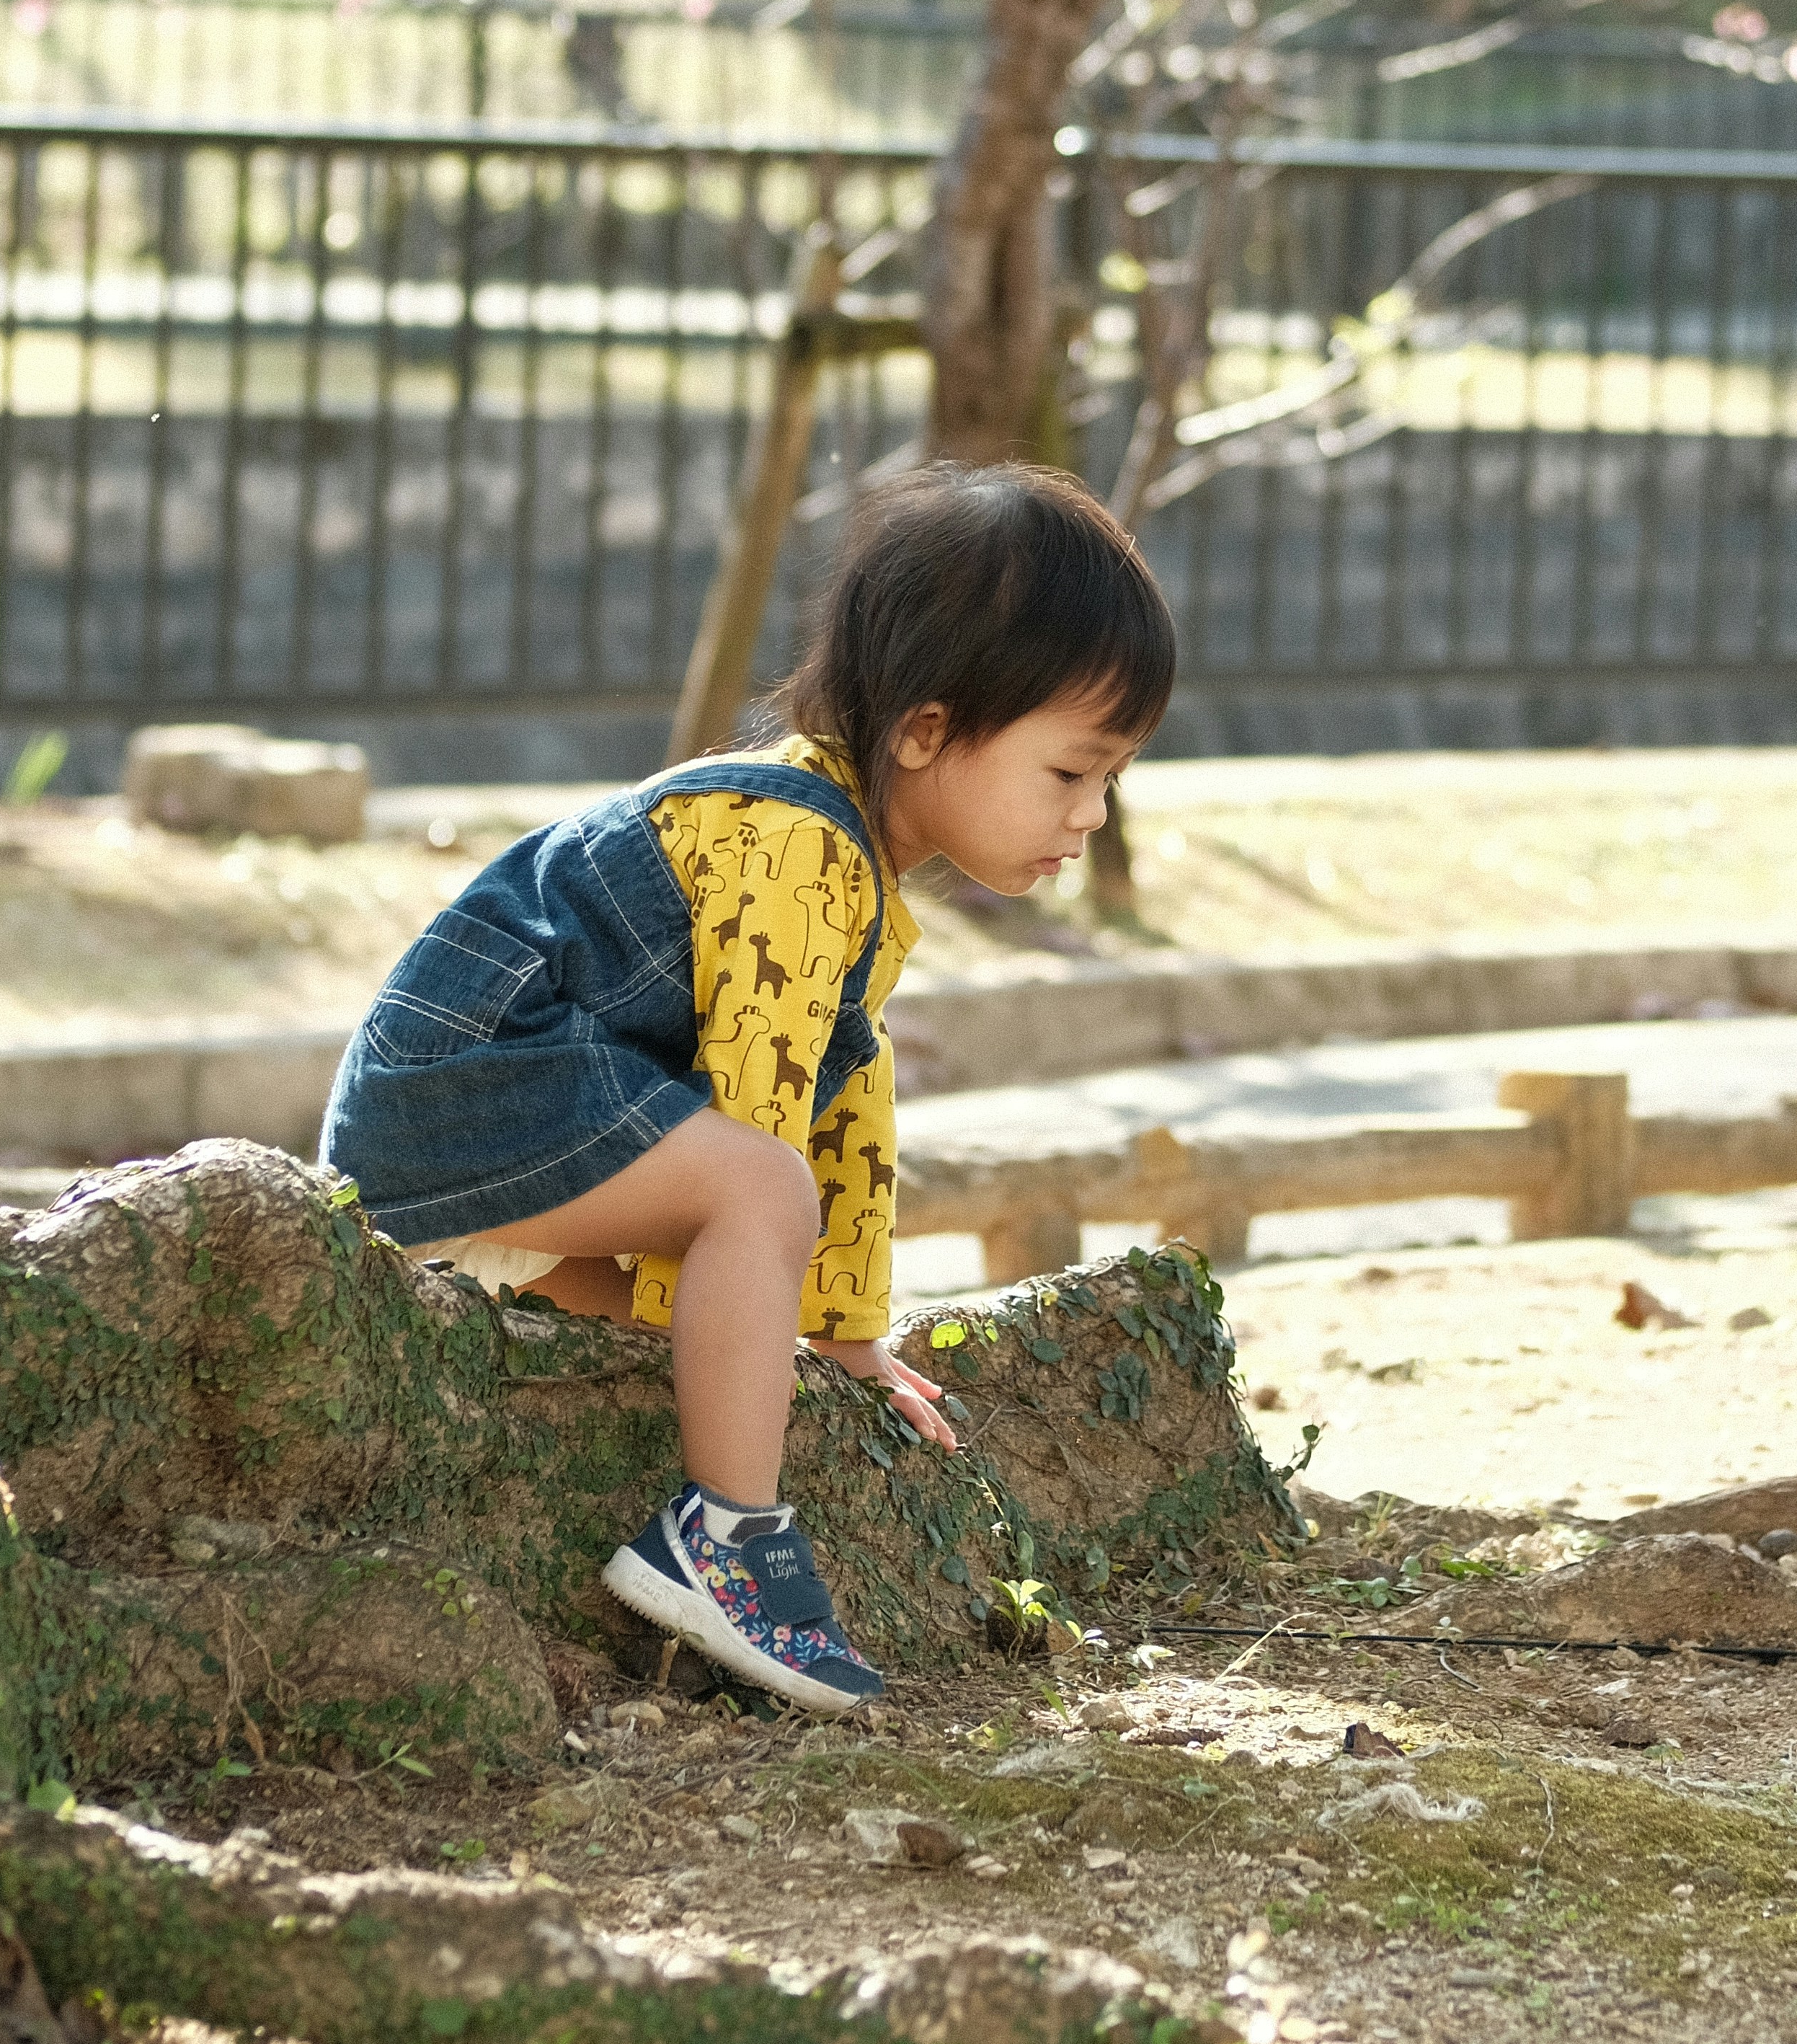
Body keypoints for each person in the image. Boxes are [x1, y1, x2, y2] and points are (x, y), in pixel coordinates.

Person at [321, 461, 1176, 1716]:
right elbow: (763, 1122)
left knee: (678, 1324)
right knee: (751, 1194)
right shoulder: (794, 845)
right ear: (927, 731)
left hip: (512, 1126)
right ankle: (723, 1543)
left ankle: (642, 1555)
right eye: (1069, 773)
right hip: (465, 1090)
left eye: (1109, 781)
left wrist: (840, 1338)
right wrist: (754, 1288)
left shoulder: (850, 866)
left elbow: (849, 1099)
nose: (1092, 815)